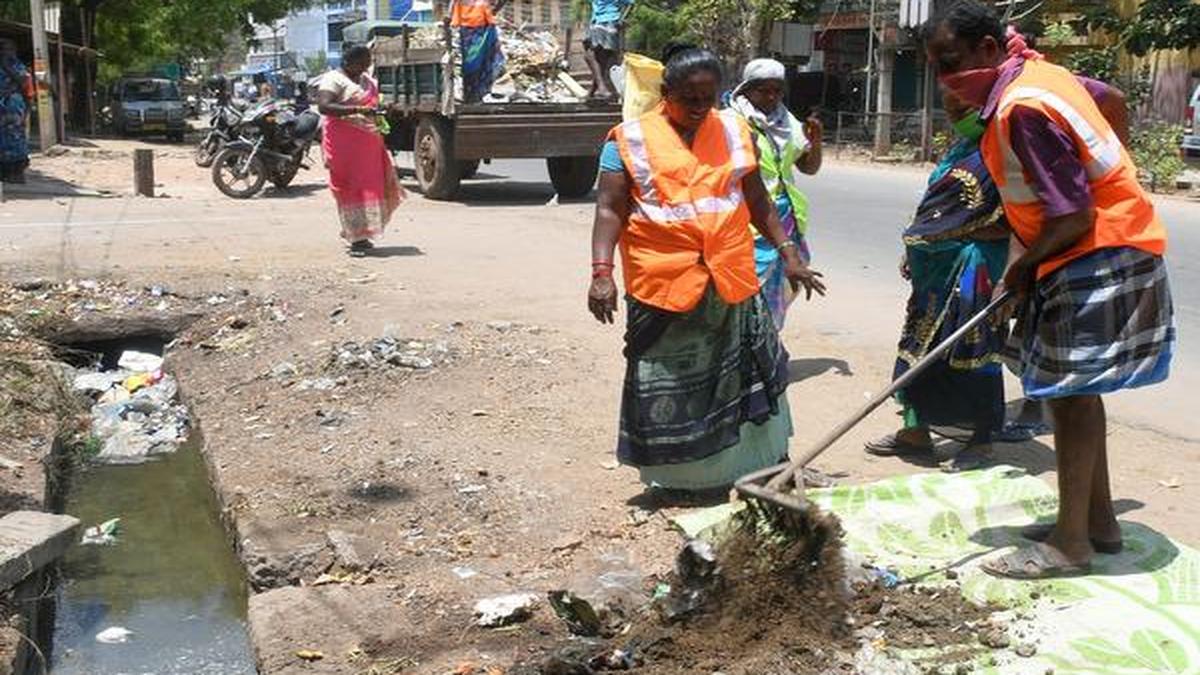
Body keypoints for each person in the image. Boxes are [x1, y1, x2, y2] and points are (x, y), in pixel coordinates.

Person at [925, 1, 1174, 579]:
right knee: (1075, 394)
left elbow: (1071, 215)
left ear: (990, 49)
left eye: (950, 63)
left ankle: (1069, 545)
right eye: (936, 67)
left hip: (1095, 250)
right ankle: (1098, 523)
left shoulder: (1022, 109)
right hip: (1097, 245)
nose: (945, 80)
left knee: (1070, 393)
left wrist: (1022, 268)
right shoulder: (1043, 75)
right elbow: (1106, 99)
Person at [587, 46, 826, 495]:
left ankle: (764, 466)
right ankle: (684, 482)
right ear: (666, 92)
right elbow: (608, 210)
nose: (699, 108)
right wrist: (602, 272)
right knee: (669, 383)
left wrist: (789, 252)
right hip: (663, 282)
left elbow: (756, 200)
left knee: (757, 372)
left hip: (732, 276)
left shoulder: (737, 130)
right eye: (688, 98)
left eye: (708, 97)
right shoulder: (626, 139)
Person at [863, 90, 1009, 471]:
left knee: (973, 352)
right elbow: (934, 210)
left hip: (975, 268)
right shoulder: (960, 149)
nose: (957, 115)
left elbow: (1021, 219)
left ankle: (981, 441)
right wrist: (916, 246)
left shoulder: (1007, 152)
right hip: (934, 270)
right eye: (951, 109)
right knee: (918, 347)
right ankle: (916, 431)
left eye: (966, 109)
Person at [728, 58, 823, 331]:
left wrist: (815, 142)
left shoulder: (787, 121)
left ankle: (765, 349)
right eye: (763, 90)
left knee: (778, 294)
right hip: (747, 221)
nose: (771, 97)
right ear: (746, 89)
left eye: (777, 91)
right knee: (745, 295)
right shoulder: (731, 122)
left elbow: (808, 167)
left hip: (786, 220)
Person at [316, 45, 405, 257]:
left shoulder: (368, 81)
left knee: (371, 186)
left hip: (368, 144)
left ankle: (362, 235)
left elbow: (375, 103)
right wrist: (357, 109)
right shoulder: (333, 80)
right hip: (343, 145)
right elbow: (324, 107)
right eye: (362, 63)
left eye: (368, 63)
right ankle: (355, 237)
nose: (366, 67)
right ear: (348, 62)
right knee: (349, 187)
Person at [451, 0, 507, 103]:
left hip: (466, 36)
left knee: (469, 65)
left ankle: (469, 94)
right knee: (483, 64)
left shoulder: (459, 2)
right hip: (479, 34)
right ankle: (479, 92)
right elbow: (491, 22)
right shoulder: (483, 3)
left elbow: (455, 22)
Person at [0, 38, 34, 184]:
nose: (9, 52)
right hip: (8, 105)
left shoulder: (15, 65)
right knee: (8, 138)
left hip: (12, 105)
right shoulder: (12, 64)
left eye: (10, 49)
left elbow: (24, 82)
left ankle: (15, 173)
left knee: (14, 137)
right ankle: (9, 173)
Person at [583, 0, 630, 99]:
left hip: (603, 22)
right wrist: (622, 19)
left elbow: (630, 3)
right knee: (601, 57)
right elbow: (631, 3)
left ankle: (601, 88)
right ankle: (594, 90)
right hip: (610, 22)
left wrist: (622, 19)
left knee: (590, 55)